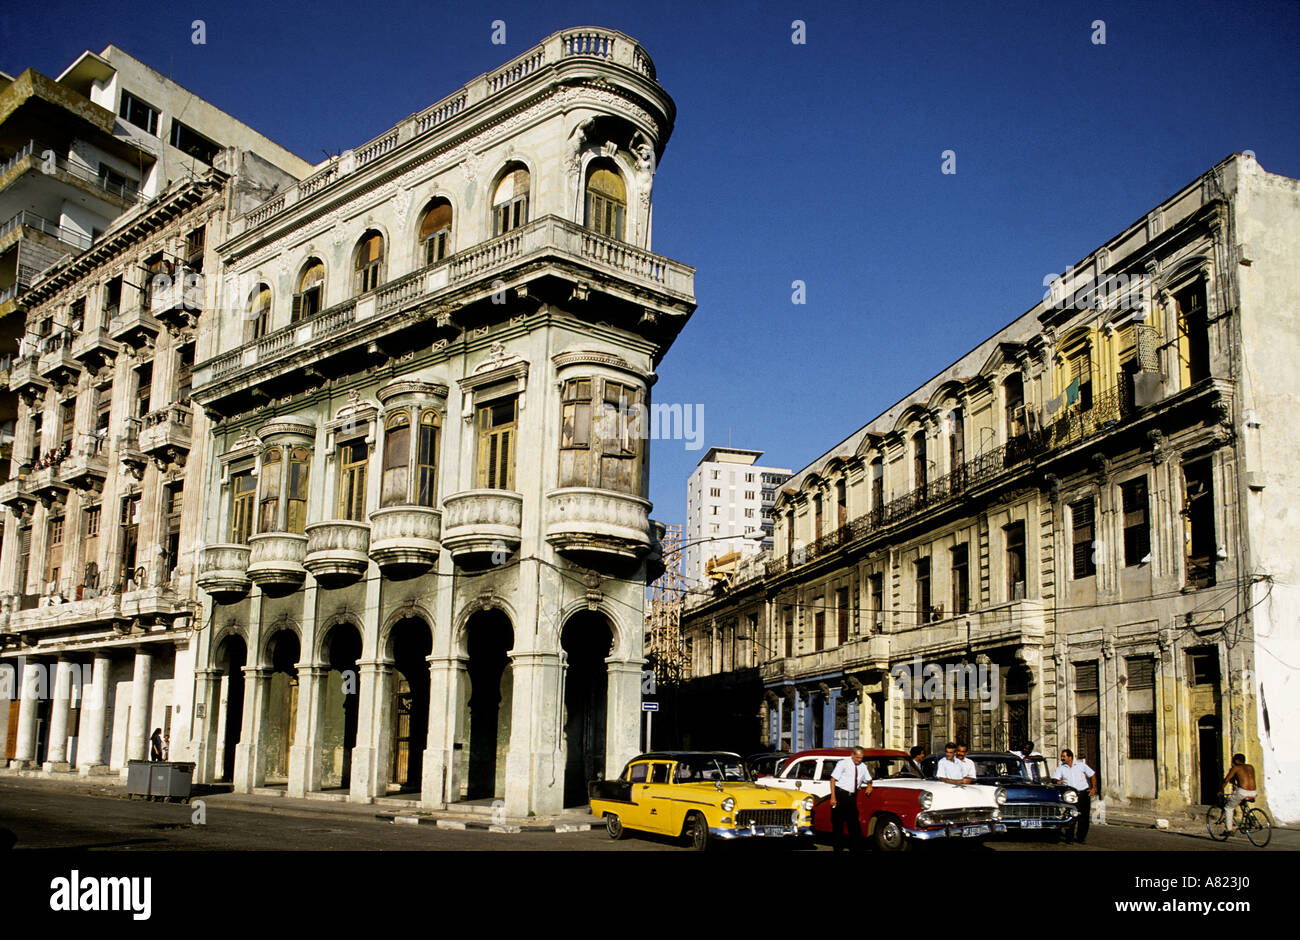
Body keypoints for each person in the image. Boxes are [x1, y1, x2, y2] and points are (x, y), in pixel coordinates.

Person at [828, 746, 873, 851]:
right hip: (840, 795)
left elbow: (869, 779)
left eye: (861, 758)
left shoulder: (863, 766)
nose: (859, 760)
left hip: (852, 797)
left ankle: (856, 847)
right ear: (852, 755)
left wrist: (869, 786)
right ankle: (838, 848)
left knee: (854, 825)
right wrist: (833, 797)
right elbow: (832, 780)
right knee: (838, 824)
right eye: (857, 757)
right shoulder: (843, 763)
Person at [1053, 748, 1097, 843]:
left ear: (1070, 757)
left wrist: (1094, 788)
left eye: (1064, 756)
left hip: (1084, 793)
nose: (1062, 758)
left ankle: (1081, 838)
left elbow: (1092, 774)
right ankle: (1069, 837)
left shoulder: (1081, 765)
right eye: (1062, 756)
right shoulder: (1061, 768)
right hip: (1071, 796)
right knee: (1071, 815)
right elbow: (1054, 779)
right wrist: (1058, 781)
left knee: (1084, 817)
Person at [1218, 753, 1258, 832]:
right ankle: (1249, 818)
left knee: (1228, 808)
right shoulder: (1251, 767)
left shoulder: (1235, 768)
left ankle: (1228, 830)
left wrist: (1221, 790)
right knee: (1241, 801)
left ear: (1236, 760)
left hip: (1242, 792)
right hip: (1253, 792)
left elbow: (1226, 780)